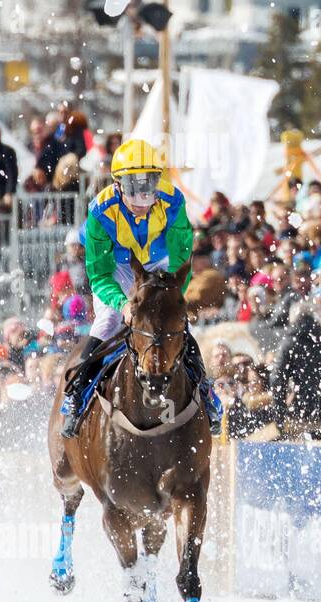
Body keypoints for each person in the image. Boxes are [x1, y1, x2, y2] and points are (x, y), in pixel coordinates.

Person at [58, 139, 222, 438]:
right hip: (118, 270)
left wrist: (170, 298)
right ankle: (76, 396)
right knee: (107, 322)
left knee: (174, 325)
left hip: (159, 265)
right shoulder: (101, 213)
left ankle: (207, 393)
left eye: (149, 185)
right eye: (134, 187)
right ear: (118, 184)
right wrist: (123, 305)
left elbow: (182, 259)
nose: (143, 196)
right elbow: (99, 275)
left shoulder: (173, 202)